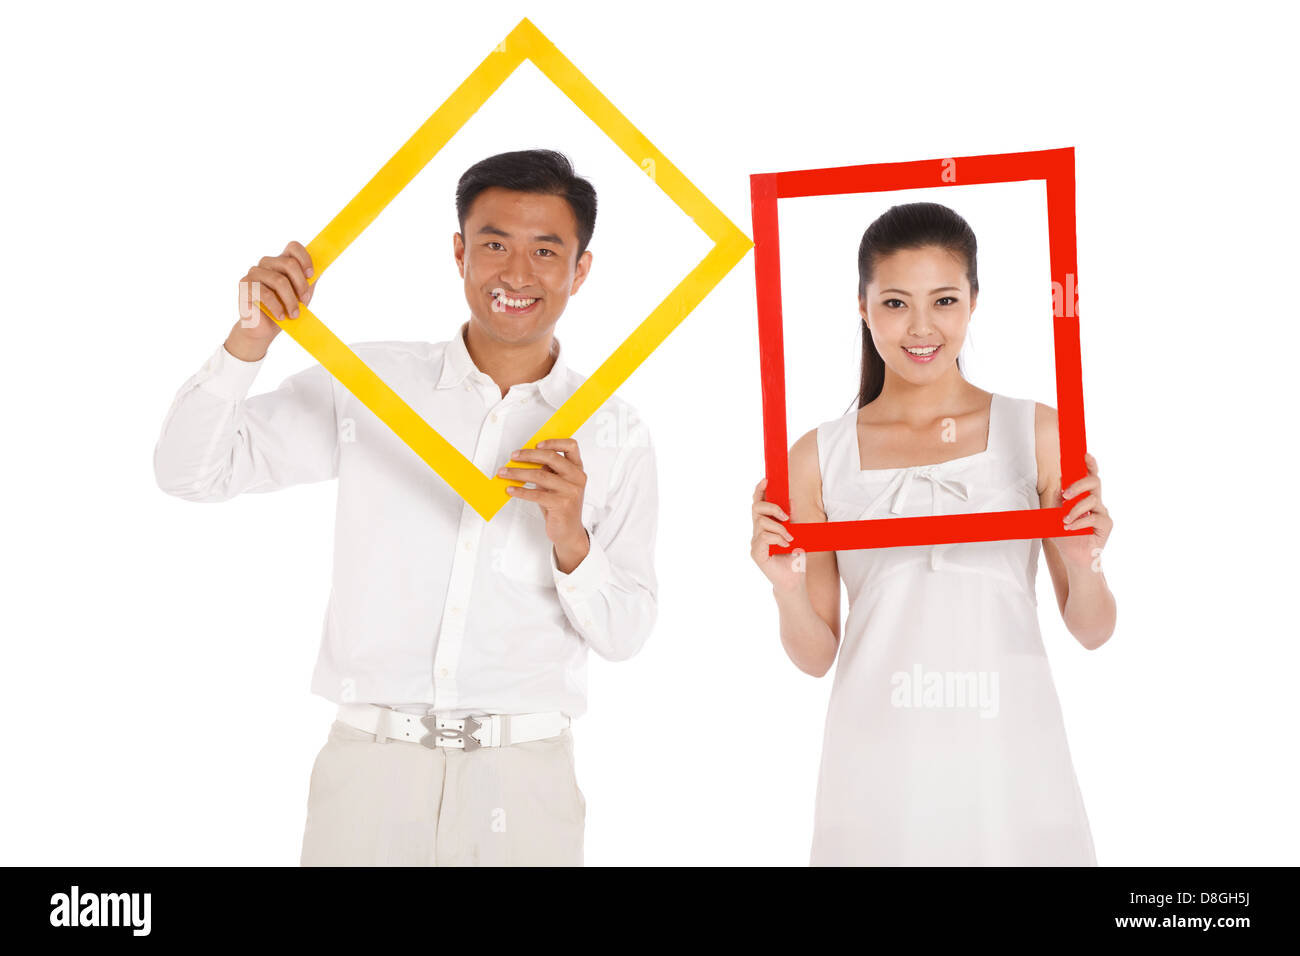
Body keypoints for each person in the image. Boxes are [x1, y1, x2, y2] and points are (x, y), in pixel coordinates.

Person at [154, 149, 658, 866]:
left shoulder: (617, 433)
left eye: (546, 251)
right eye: (494, 245)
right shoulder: (371, 385)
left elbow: (628, 631)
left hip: (525, 784)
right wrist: (249, 340)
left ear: (580, 271)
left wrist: (570, 537)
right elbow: (189, 472)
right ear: (459, 254)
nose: (517, 274)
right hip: (370, 770)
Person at [750, 202, 1115, 866]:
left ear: (973, 301)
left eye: (944, 300)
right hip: (879, 765)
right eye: (895, 303)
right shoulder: (816, 458)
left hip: (1011, 754)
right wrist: (784, 588)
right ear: (862, 307)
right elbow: (815, 655)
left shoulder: (1035, 432)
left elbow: (1092, 629)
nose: (921, 327)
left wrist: (1084, 559)